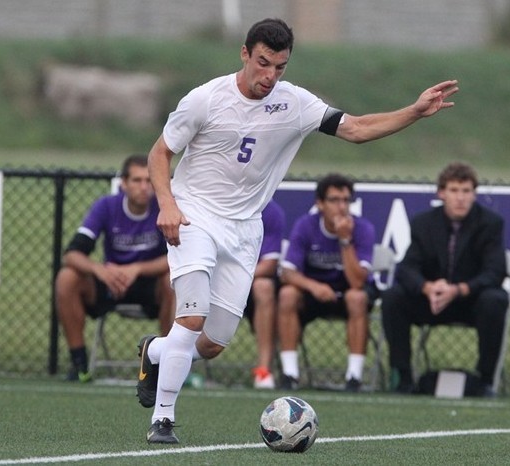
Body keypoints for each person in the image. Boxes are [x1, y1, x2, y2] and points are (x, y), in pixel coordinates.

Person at [139, 17, 458, 444]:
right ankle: (163, 420)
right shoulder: (205, 99)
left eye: (280, 67)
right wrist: (167, 204)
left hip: (244, 229)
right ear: (245, 54)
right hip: (193, 215)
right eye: (263, 63)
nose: (270, 76)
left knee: (213, 342)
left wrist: (415, 112)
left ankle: (156, 352)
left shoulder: (294, 103)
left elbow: (357, 130)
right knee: (191, 317)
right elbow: (160, 154)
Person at [380, 161, 508, 397]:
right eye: (454, 190)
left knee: (495, 299)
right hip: (433, 302)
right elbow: (407, 267)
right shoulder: (423, 223)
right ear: (441, 193)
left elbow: (495, 271)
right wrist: (428, 288)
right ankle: (403, 377)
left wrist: (459, 290)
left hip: (471, 301)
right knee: (393, 297)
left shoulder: (490, 223)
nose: (460, 198)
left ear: (474, 194)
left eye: (466, 191)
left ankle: (485, 380)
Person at [54, 155, 174, 383]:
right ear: (124, 184)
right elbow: (72, 254)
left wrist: (137, 269)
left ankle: (169, 365)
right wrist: (100, 271)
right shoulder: (106, 206)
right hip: (112, 282)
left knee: (174, 280)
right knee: (67, 278)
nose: (143, 187)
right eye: (137, 181)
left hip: (151, 284)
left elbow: (180, 258)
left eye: (149, 181)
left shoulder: (165, 208)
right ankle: (79, 364)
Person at [276, 174, 376, 393]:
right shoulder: (306, 225)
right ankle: (290, 374)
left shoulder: (362, 229)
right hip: (315, 291)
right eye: (334, 200)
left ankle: (354, 377)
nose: (341, 207)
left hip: (347, 292)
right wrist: (314, 287)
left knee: (356, 298)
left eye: (346, 200)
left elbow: (358, 282)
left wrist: (344, 240)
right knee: (287, 295)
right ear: (320, 204)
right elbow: (287, 272)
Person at [243, 198, 285, 389]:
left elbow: (268, 265)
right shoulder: (214, 202)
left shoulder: (270, 211)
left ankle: (263, 371)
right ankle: (178, 365)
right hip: (214, 279)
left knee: (264, 287)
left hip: (248, 282)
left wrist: (233, 277)